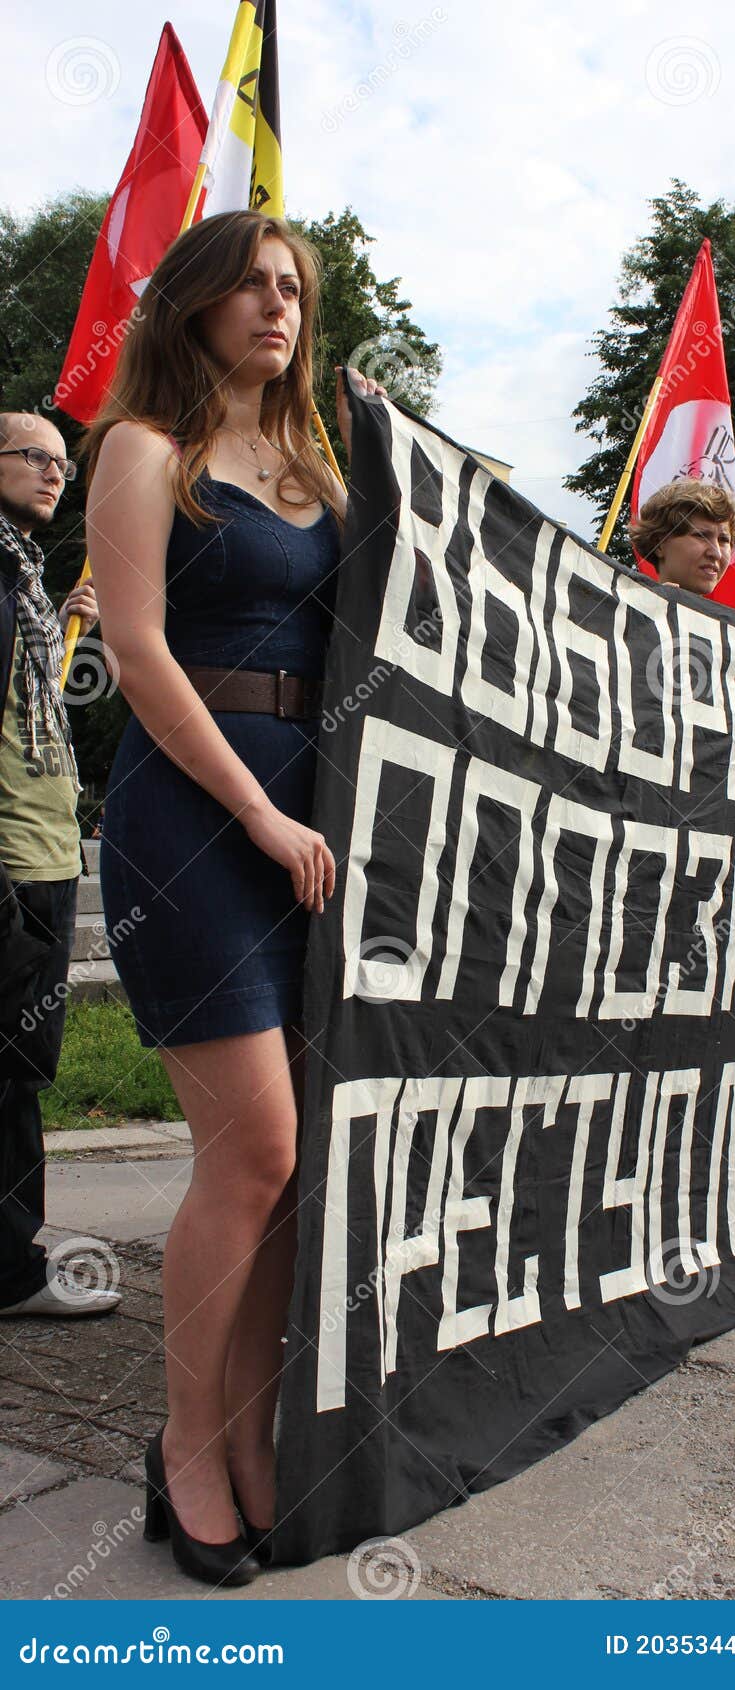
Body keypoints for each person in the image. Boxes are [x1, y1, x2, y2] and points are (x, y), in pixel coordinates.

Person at [85, 210, 382, 1586]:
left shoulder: (321, 471)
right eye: (250, 286)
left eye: (293, 289)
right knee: (252, 1153)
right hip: (193, 825)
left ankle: (251, 1438)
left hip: (312, 832)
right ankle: (183, 1448)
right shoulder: (144, 448)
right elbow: (136, 648)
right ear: (195, 303)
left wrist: (395, 451)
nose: (275, 306)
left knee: (296, 1164)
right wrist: (258, 810)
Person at [0, 411, 119, 1321]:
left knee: (18, 1066)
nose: (53, 473)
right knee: (10, 1071)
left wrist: (68, 626)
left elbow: (35, 718)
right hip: (12, 862)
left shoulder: (25, 576)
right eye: (31, 456)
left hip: (40, 851)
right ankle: (9, 1273)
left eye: (61, 463)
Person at [629, 477, 735, 598]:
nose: (716, 553)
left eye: (724, 540)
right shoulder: (618, 613)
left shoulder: (730, 617)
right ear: (659, 544)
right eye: (701, 536)